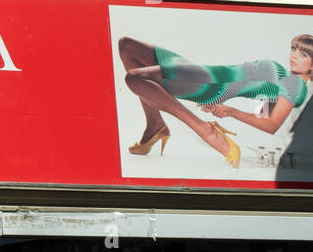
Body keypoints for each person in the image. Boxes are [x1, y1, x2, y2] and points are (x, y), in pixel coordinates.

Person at [118, 35, 313, 168]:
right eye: (294, 49)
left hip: (211, 84)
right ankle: (155, 125)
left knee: (134, 78)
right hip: (206, 71)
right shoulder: (286, 81)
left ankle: (205, 129)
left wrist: (230, 111)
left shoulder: (295, 85)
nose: (294, 55)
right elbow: (264, 112)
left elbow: (271, 125)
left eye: (303, 54)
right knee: (126, 46)